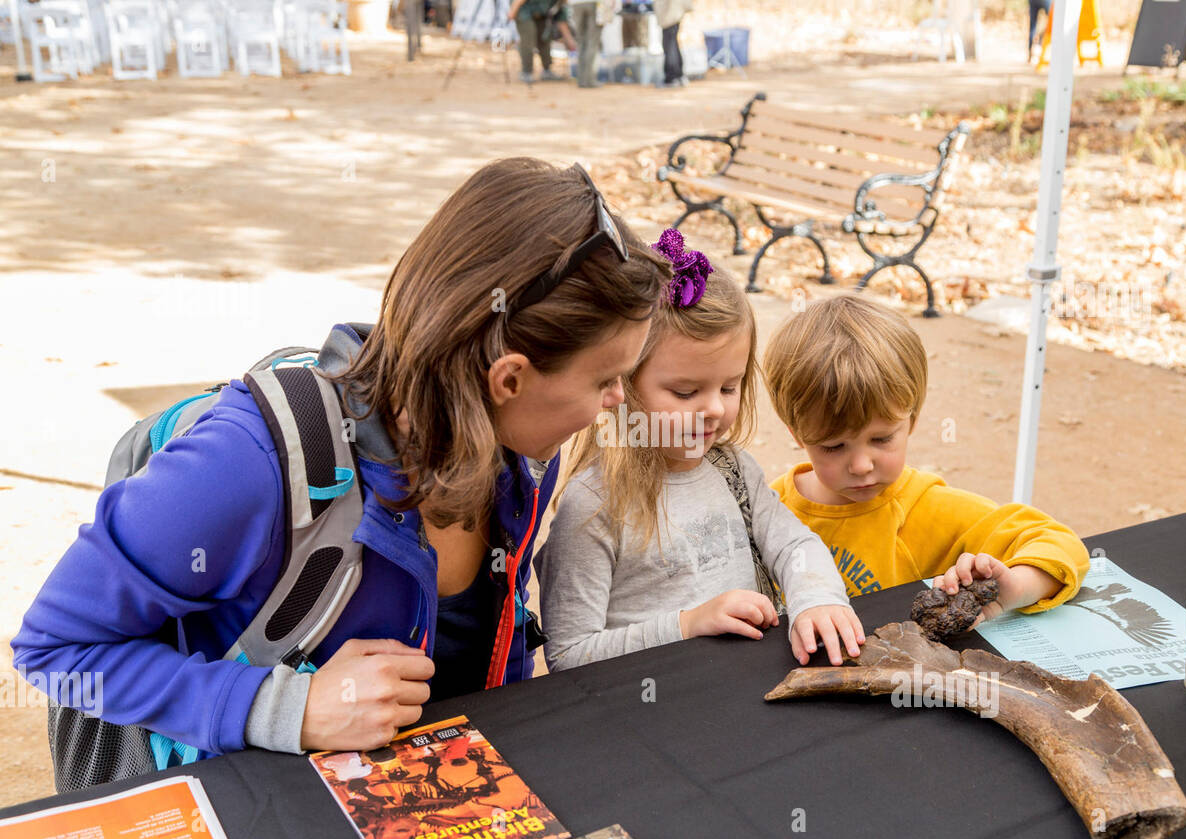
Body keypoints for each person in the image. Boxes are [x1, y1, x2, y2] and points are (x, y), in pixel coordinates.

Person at [13, 158, 673, 775]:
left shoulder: (525, 461)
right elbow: (56, 649)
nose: (619, 402)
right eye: (608, 379)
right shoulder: (249, 463)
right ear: (508, 377)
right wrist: (287, 708)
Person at [538, 229, 865, 672]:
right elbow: (569, 655)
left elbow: (795, 547)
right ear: (623, 384)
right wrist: (687, 624)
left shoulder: (732, 470)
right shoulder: (594, 506)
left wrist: (817, 599)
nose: (713, 408)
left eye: (730, 387)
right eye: (686, 391)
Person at [761, 294, 1090, 625]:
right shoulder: (768, 509)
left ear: (911, 420)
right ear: (797, 434)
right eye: (833, 446)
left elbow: (1060, 543)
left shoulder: (927, 509)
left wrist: (1014, 587)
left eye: (881, 439)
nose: (861, 465)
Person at [508, 0, 578, 83]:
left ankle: (547, 71)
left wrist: (570, 41)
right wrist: (513, 10)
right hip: (524, 12)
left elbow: (561, 20)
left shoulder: (560, 3)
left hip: (541, 15)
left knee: (544, 39)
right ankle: (526, 72)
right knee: (528, 39)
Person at [654, 0, 690, 87]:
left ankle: (671, 77)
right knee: (673, 43)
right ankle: (678, 75)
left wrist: (666, 15)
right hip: (674, 14)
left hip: (670, 15)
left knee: (669, 45)